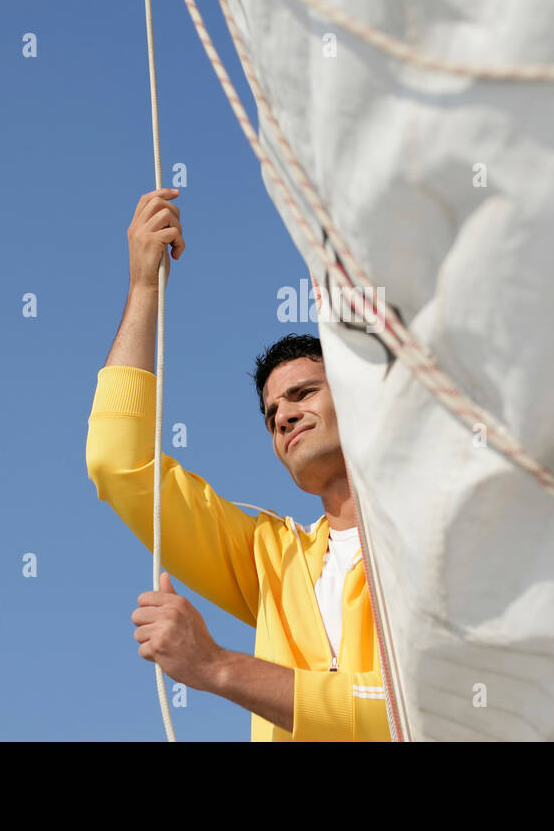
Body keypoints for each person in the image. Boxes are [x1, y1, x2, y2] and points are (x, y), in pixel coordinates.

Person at [86, 188, 391, 741]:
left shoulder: (436, 535)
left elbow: (426, 710)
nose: (283, 416)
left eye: (302, 394)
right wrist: (143, 287)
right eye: (271, 411)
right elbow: (118, 463)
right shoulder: (271, 559)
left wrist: (217, 667)